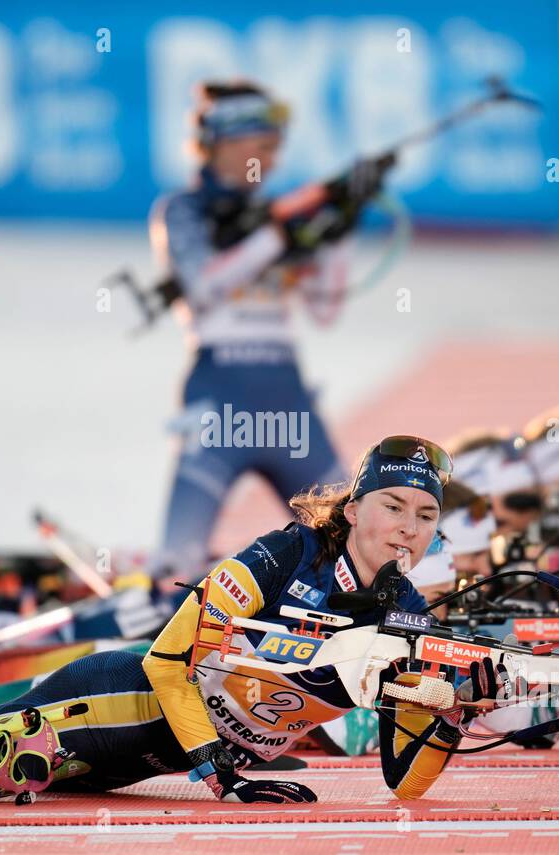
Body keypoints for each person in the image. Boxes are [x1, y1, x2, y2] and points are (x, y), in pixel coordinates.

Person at [0, 436, 504, 803]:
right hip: (108, 705)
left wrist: (454, 712)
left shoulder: (409, 616)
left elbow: (404, 786)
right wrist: (219, 774)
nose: (408, 529)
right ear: (354, 508)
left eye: (425, 517)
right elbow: (164, 659)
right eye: (393, 506)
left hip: (138, 767)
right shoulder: (286, 551)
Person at [150, 80, 387, 576]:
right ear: (223, 143)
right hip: (219, 402)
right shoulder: (183, 211)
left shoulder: (279, 218)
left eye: (276, 150)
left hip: (287, 402)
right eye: (262, 148)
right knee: (176, 561)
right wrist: (279, 236)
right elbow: (203, 284)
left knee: (350, 544)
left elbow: (325, 309)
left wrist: (339, 229)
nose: (272, 162)